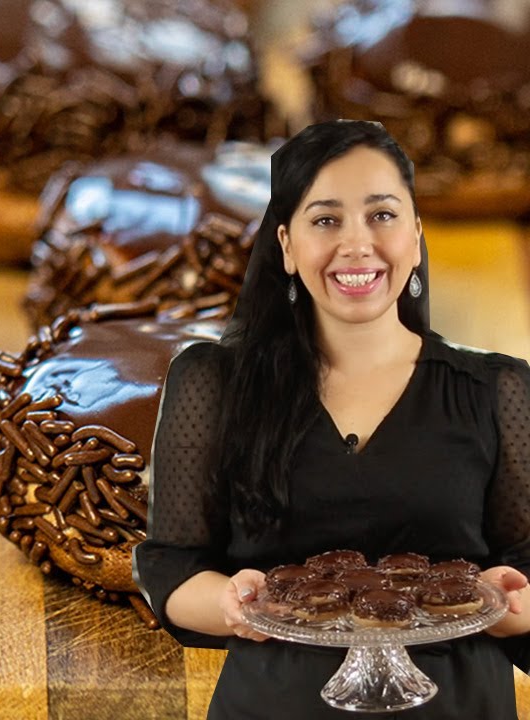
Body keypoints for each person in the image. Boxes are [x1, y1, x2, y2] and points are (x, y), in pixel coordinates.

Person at [132, 119, 530, 718]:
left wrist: (507, 603)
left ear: (416, 234)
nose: (356, 244)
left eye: (382, 214)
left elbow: (526, 563)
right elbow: (173, 563)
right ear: (287, 246)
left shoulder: (499, 389)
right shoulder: (212, 383)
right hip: (275, 706)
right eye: (325, 220)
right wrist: (232, 602)